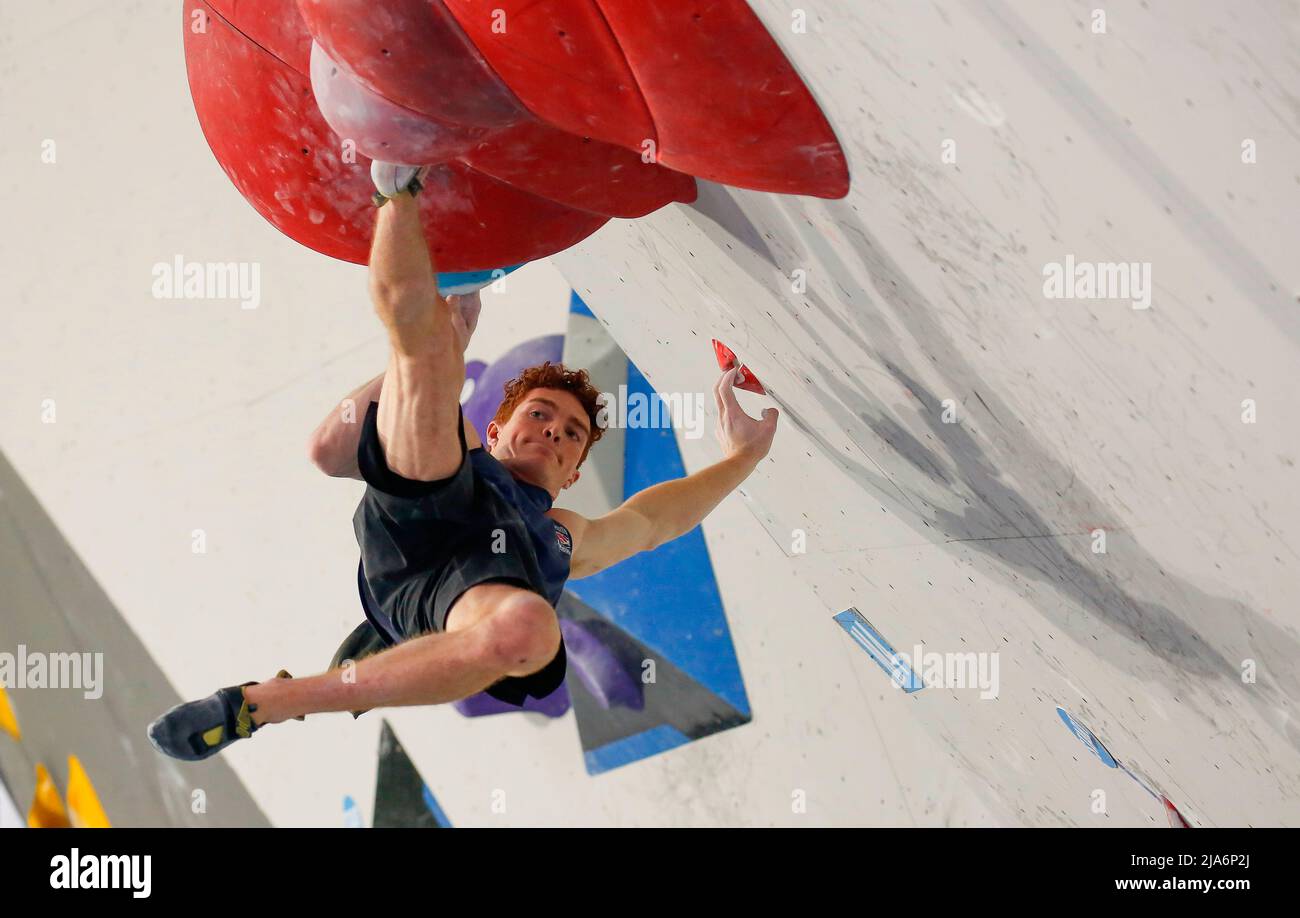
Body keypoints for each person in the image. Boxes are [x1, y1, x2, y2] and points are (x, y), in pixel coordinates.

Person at [148, 163, 778, 761]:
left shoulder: (564, 533)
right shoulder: (468, 447)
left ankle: (269, 705)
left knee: (529, 631)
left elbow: (655, 522)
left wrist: (742, 458)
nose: (553, 432)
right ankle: (396, 186)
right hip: (424, 515)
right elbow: (328, 449)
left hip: (450, 598)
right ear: (498, 427)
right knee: (428, 366)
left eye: (571, 434)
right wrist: (455, 340)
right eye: (540, 415)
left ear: (574, 474)